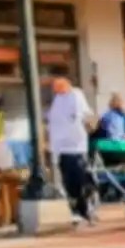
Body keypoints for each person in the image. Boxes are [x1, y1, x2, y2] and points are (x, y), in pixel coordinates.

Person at [46, 76, 95, 225]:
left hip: (76, 148)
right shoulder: (57, 101)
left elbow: (82, 115)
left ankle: (85, 210)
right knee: (69, 184)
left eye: (57, 87)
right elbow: (54, 125)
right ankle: (76, 211)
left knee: (81, 181)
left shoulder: (76, 95)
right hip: (63, 150)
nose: (56, 90)